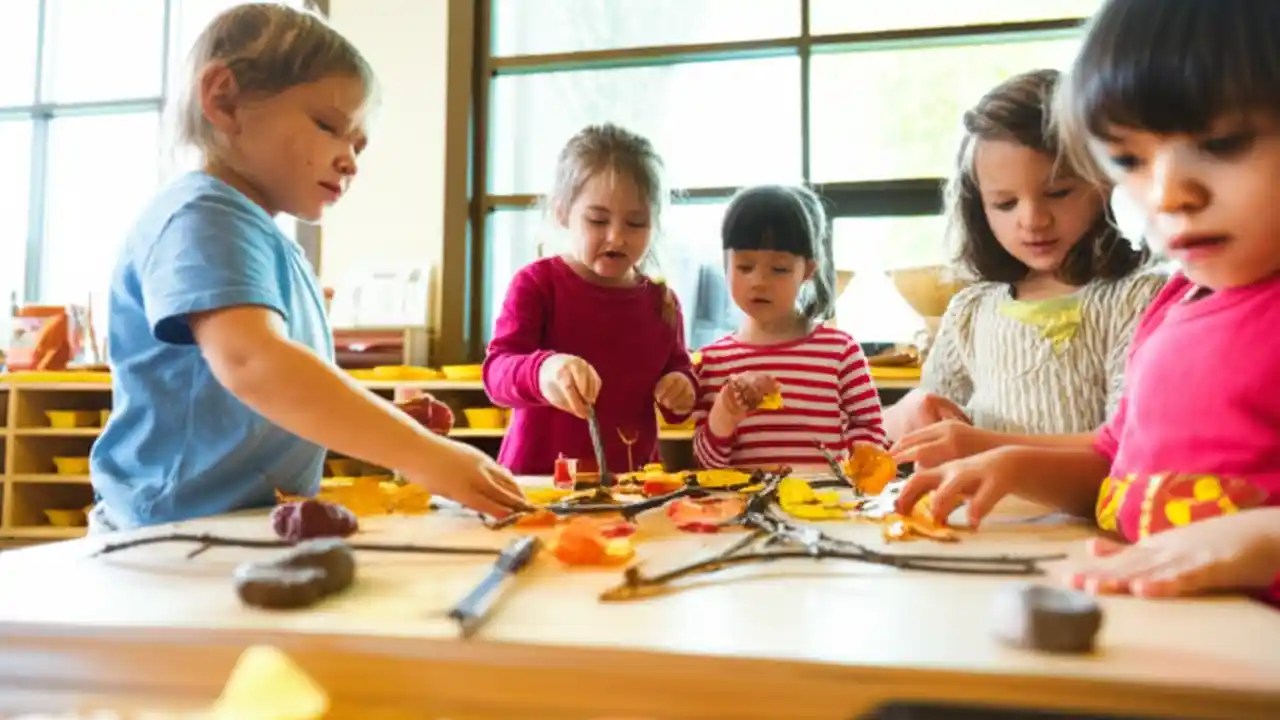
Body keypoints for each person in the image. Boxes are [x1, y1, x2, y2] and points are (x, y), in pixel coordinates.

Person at [90, 3, 527, 532]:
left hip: (228, 529)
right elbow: (254, 364)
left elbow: (281, 395)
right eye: (329, 126)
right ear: (225, 100)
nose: (350, 161)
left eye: (359, 146)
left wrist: (381, 424)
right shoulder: (202, 215)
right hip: (165, 536)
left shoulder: (264, 239)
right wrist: (422, 453)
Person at [898, 0, 1280, 602]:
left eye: (1223, 142)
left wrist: (1263, 536)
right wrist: (1013, 465)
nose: (1168, 191)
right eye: (1131, 160)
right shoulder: (1177, 304)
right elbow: (1112, 453)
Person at [885, 68, 1165, 470]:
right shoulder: (970, 311)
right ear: (979, 208)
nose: (1033, 220)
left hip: (1084, 528)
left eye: (1057, 193)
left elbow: (1127, 445)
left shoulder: (1136, 300)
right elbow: (908, 426)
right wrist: (912, 407)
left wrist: (980, 445)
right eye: (1005, 204)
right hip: (978, 527)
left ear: (1105, 182)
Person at [483, 123, 695, 475]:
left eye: (636, 223)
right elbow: (496, 375)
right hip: (541, 484)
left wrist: (681, 388)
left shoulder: (662, 301)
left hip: (632, 485)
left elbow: (678, 379)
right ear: (563, 212)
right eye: (598, 220)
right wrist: (543, 371)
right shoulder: (536, 285)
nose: (617, 236)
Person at [693, 185, 885, 469]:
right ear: (725, 266)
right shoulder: (711, 363)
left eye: (779, 269)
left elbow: (870, 431)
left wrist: (860, 466)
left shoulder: (840, 351)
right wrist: (724, 414)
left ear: (807, 271)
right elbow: (706, 467)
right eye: (745, 267)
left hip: (825, 509)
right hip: (744, 512)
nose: (759, 281)